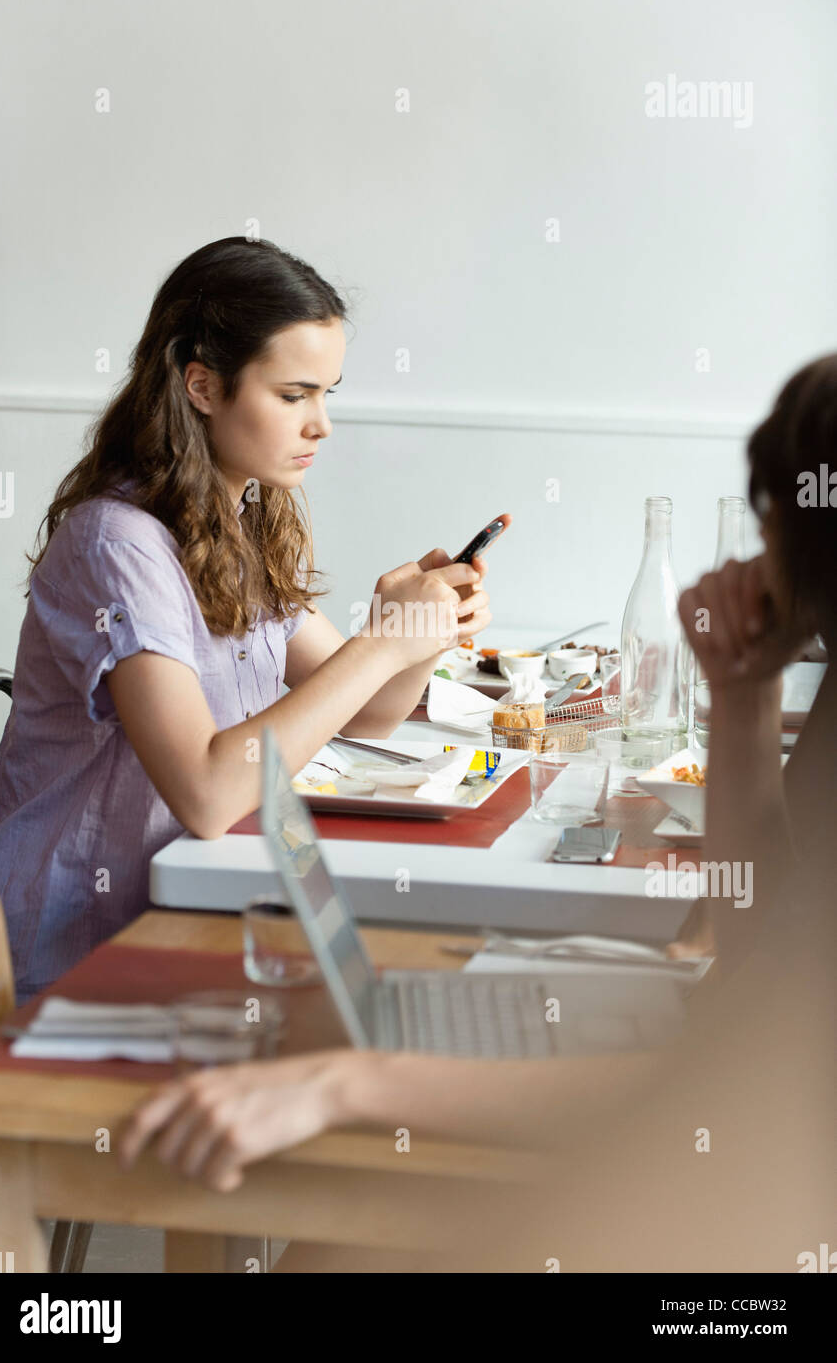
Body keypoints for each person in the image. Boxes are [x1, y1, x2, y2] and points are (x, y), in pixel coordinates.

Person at [118, 354, 835, 1272]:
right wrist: (739, 694)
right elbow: (762, 945)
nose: (744, 556)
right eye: (299, 394)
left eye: (769, 522)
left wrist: (351, 1084)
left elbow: (743, 1079)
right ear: (201, 386)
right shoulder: (146, 538)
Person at [0, 236, 501, 1002]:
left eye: (327, 394)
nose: (320, 424)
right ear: (202, 386)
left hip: (190, 900)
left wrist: (416, 637)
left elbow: (371, 716)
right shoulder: (117, 543)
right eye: (293, 396)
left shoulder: (237, 517)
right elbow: (209, 792)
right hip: (79, 949)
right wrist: (380, 644)